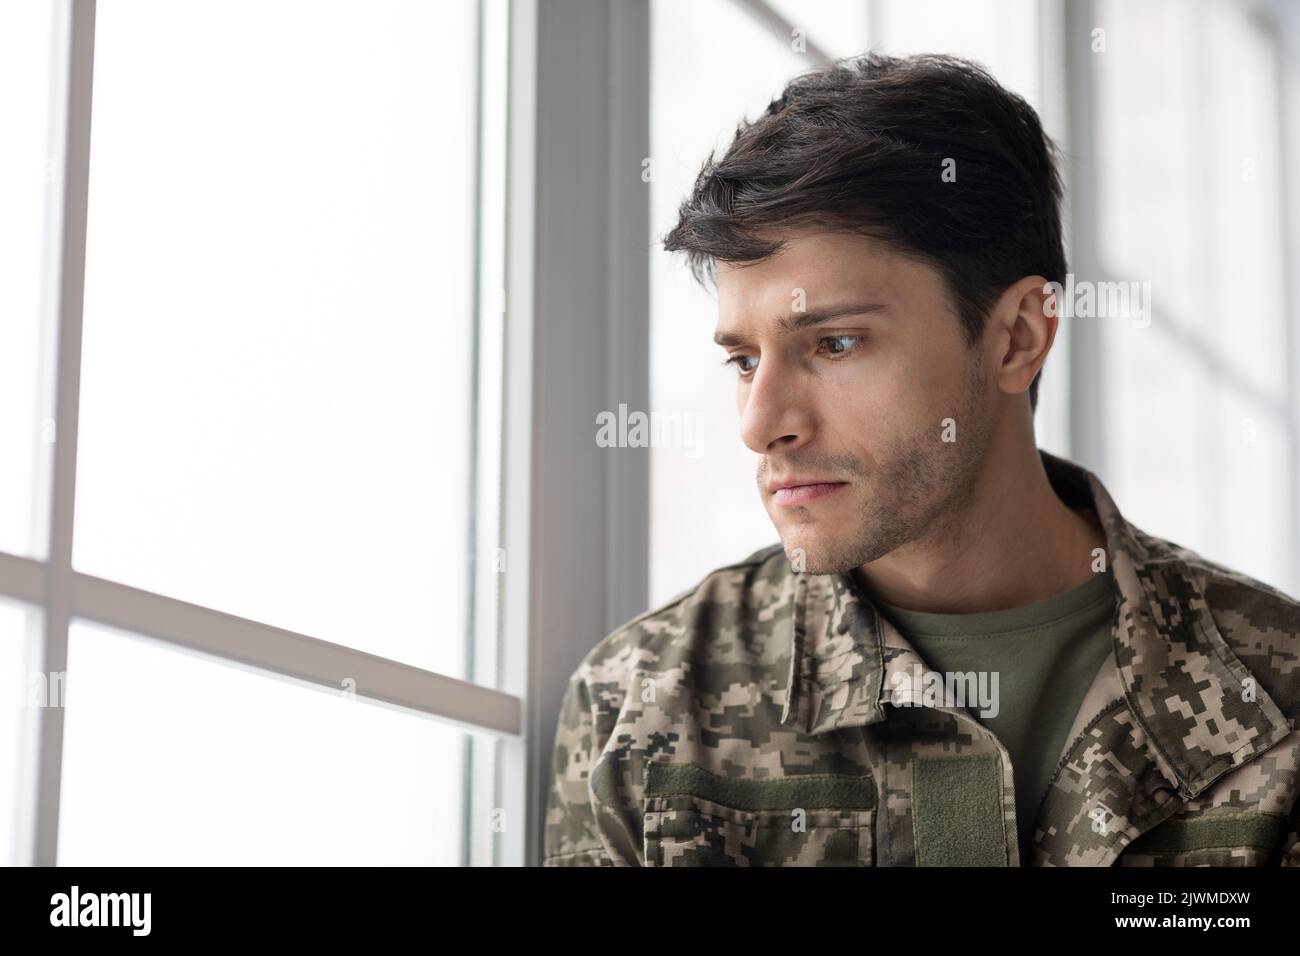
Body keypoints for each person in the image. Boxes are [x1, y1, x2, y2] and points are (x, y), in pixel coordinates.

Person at [543, 52, 1300, 866]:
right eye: (744, 360)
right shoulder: (638, 705)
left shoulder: (1279, 699)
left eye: (835, 344)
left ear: (1018, 337)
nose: (760, 424)